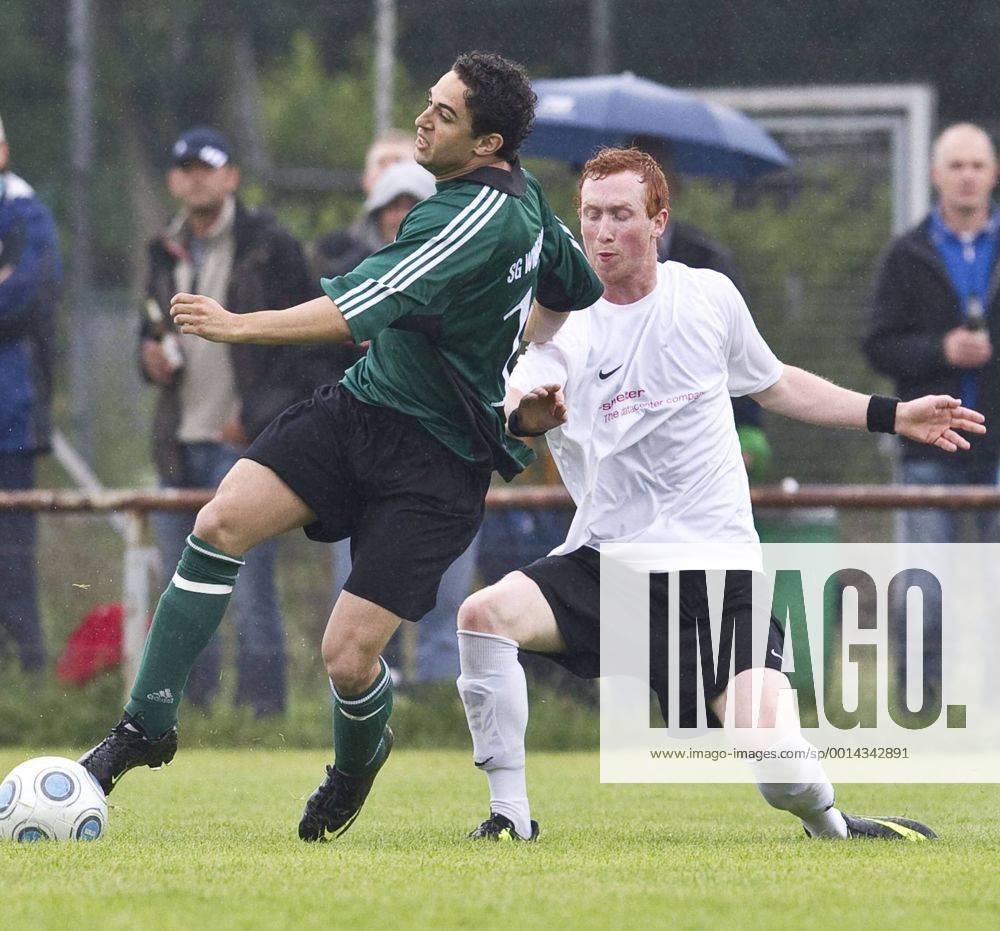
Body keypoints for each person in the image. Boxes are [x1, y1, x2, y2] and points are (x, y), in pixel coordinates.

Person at [79, 52, 604, 843]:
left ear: (490, 143)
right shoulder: (522, 204)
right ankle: (145, 724)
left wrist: (236, 324)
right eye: (430, 102)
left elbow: (362, 305)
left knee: (348, 659)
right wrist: (518, 349)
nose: (424, 120)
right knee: (221, 521)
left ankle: (357, 761)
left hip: (438, 463)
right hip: (361, 411)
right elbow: (575, 288)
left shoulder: (477, 213)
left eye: (446, 114)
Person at [455, 148, 982, 842]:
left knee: (779, 774)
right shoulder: (565, 321)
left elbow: (776, 382)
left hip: (716, 577)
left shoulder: (707, 296)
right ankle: (509, 818)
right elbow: (523, 389)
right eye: (591, 215)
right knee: (483, 615)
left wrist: (892, 411)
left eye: (621, 214)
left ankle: (834, 824)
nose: (603, 231)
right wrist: (529, 414)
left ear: (659, 221)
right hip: (607, 565)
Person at [138, 126, 315, 717]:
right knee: (183, 591)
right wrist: (151, 357)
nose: (195, 177)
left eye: (207, 166)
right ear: (172, 180)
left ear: (232, 176)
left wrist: (259, 415)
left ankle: (263, 715)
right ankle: (188, 717)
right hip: (177, 443)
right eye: (184, 167)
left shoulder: (273, 244)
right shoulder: (162, 247)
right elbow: (148, 332)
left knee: (250, 590)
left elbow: (305, 347)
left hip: (246, 443)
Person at [317, 158, 473, 684]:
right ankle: (372, 702)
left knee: (445, 603)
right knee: (357, 610)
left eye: (414, 203)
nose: (401, 215)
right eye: (392, 205)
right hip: (363, 458)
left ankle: (438, 712)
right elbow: (310, 365)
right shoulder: (346, 278)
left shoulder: (466, 271)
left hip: (444, 457)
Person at [865, 123, 999, 690]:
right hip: (929, 444)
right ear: (935, 175)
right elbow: (878, 344)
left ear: (993, 174)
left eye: (977, 165)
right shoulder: (906, 254)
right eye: (956, 165)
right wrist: (941, 351)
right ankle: (921, 701)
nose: (967, 176)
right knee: (925, 585)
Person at [0, 112, 61, 673]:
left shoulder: (25, 212)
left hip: (9, 421)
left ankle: (31, 683)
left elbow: (25, 295)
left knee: (13, 563)